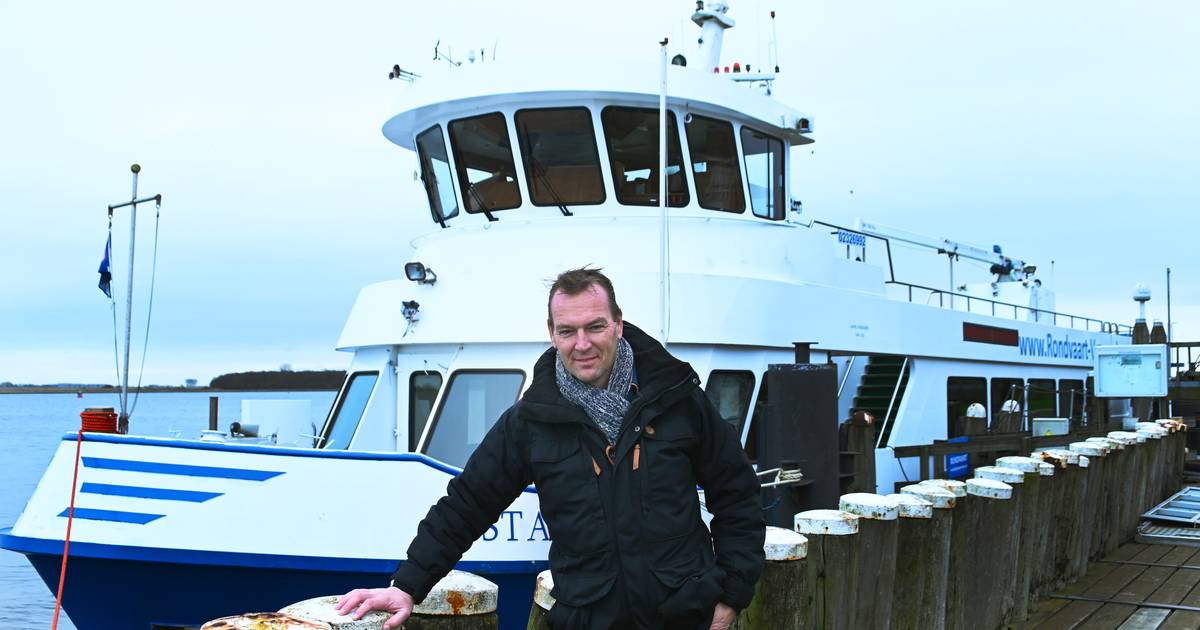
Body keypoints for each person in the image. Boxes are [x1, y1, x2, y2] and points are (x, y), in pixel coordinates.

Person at [336, 268, 764, 629]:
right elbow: (467, 503)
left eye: (595, 326)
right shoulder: (532, 420)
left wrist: (731, 594)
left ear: (618, 323)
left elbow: (737, 493)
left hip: (685, 616)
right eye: (568, 331)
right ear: (551, 334)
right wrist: (407, 586)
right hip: (589, 619)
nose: (582, 344)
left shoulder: (677, 399)